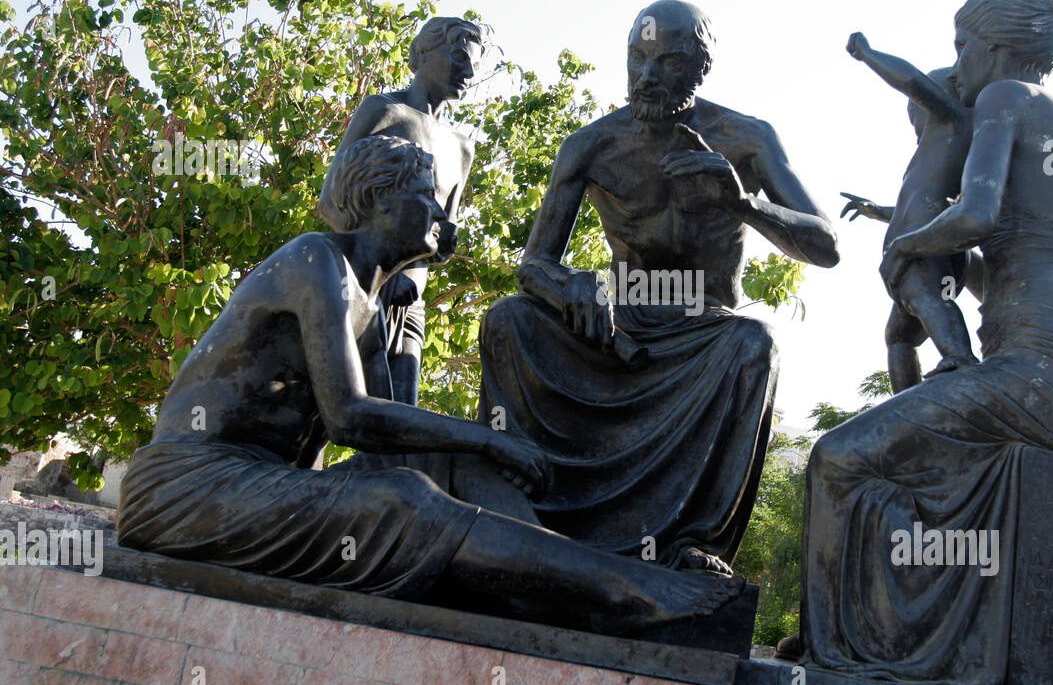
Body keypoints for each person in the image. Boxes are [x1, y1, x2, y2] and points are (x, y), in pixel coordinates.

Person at [117, 134, 743, 636]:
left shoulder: (378, 297)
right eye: (429, 198)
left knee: (439, 458)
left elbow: (400, 425)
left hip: (271, 488)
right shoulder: (316, 262)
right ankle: (627, 592)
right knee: (402, 501)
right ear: (380, 199)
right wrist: (489, 440)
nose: (444, 216)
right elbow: (352, 419)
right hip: (186, 491)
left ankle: (567, 577)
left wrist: (467, 438)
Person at [787, 0, 1053, 685]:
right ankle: (913, 642)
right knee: (900, 465)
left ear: (993, 48)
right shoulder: (1044, 112)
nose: (955, 64)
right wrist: (920, 243)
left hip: (1037, 373)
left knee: (838, 460)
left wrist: (905, 243)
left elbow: (975, 210)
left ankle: (853, 651)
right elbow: (993, 265)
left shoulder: (1005, 94)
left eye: (960, 44)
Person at [478, 0, 840, 575]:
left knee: (755, 345)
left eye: (667, 62)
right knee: (510, 320)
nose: (646, 76)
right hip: (617, 324)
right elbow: (535, 264)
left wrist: (743, 203)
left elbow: (827, 246)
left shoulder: (745, 139)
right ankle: (511, 508)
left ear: (699, 69)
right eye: (637, 58)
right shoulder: (591, 145)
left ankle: (692, 545)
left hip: (703, 328)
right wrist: (571, 287)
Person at [318, 16, 484, 406]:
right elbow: (331, 201)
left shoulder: (462, 147)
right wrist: (376, 270)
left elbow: (440, 236)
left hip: (411, 300)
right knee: (335, 408)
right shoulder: (383, 111)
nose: (470, 71)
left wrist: (445, 238)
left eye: (475, 62)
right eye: (459, 56)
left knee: (400, 415)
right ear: (423, 53)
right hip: (354, 288)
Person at [841, 32, 977, 390]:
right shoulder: (935, 150)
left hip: (924, 244)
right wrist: (874, 211)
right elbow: (906, 206)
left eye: (915, 110)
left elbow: (911, 80)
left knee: (926, 298)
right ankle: (909, 398)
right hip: (917, 243)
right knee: (899, 336)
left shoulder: (955, 121)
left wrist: (867, 55)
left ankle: (960, 358)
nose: (914, 120)